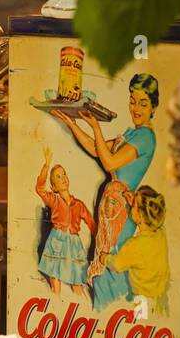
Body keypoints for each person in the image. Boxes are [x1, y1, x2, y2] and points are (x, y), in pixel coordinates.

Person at [51, 73, 159, 309]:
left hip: (121, 210)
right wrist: (72, 124)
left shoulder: (146, 138)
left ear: (153, 106)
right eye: (132, 100)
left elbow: (109, 163)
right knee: (102, 260)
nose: (136, 108)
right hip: (112, 205)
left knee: (110, 266)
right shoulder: (132, 133)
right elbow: (95, 148)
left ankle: (107, 311)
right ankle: (103, 310)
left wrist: (96, 126)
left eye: (143, 102)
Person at [34, 146, 95, 301]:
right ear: (53, 187)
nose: (63, 178)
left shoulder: (79, 204)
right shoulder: (54, 200)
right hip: (57, 241)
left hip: (74, 244)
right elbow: (39, 188)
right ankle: (56, 308)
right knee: (55, 281)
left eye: (64, 174)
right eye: (58, 177)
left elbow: (92, 224)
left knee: (77, 282)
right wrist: (47, 165)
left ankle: (80, 311)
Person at [106, 185, 170, 316]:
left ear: (140, 215)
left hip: (143, 301)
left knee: (141, 328)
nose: (132, 205)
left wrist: (104, 258)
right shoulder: (160, 233)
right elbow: (145, 224)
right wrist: (134, 204)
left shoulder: (133, 246)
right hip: (161, 297)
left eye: (134, 205)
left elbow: (116, 264)